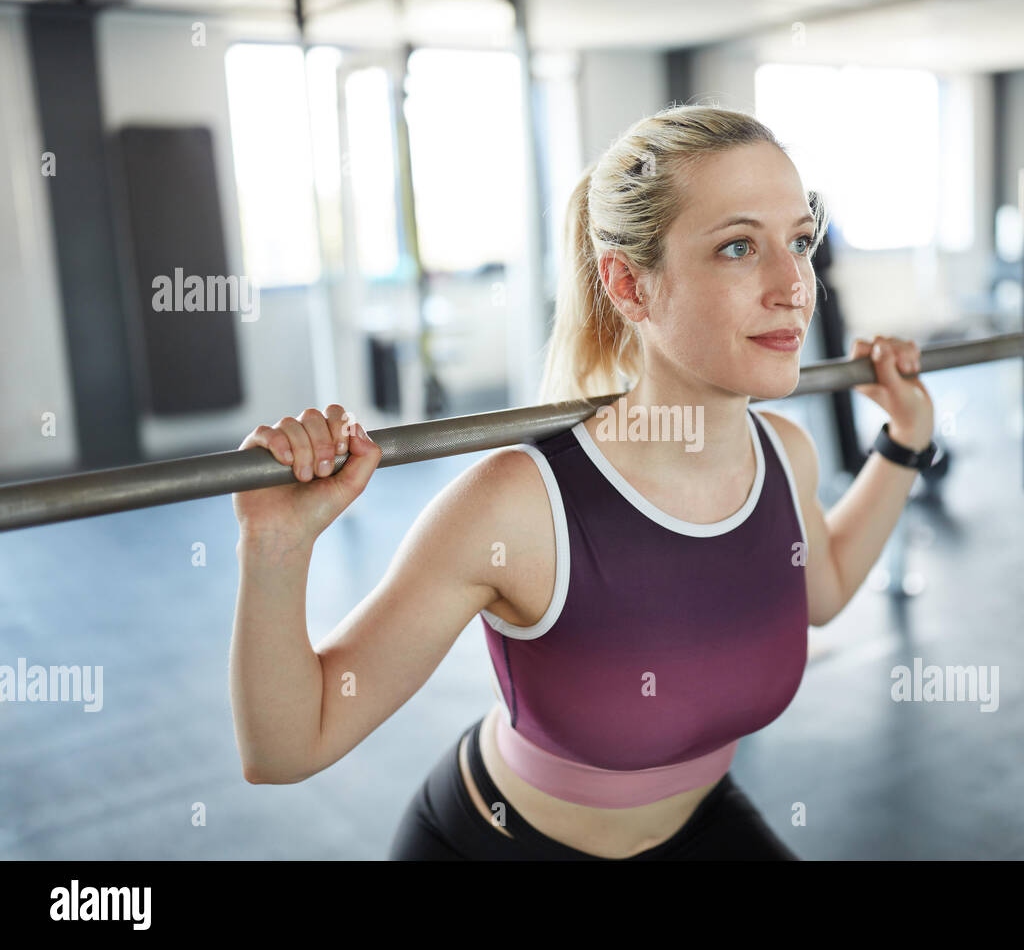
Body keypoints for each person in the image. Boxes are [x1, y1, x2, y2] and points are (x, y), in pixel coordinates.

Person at [229, 104, 934, 861]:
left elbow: (818, 593)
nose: (793, 285)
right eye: (738, 247)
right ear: (629, 286)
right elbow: (288, 748)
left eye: (799, 241)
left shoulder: (784, 455)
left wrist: (904, 444)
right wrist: (274, 546)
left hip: (697, 824)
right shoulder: (516, 506)